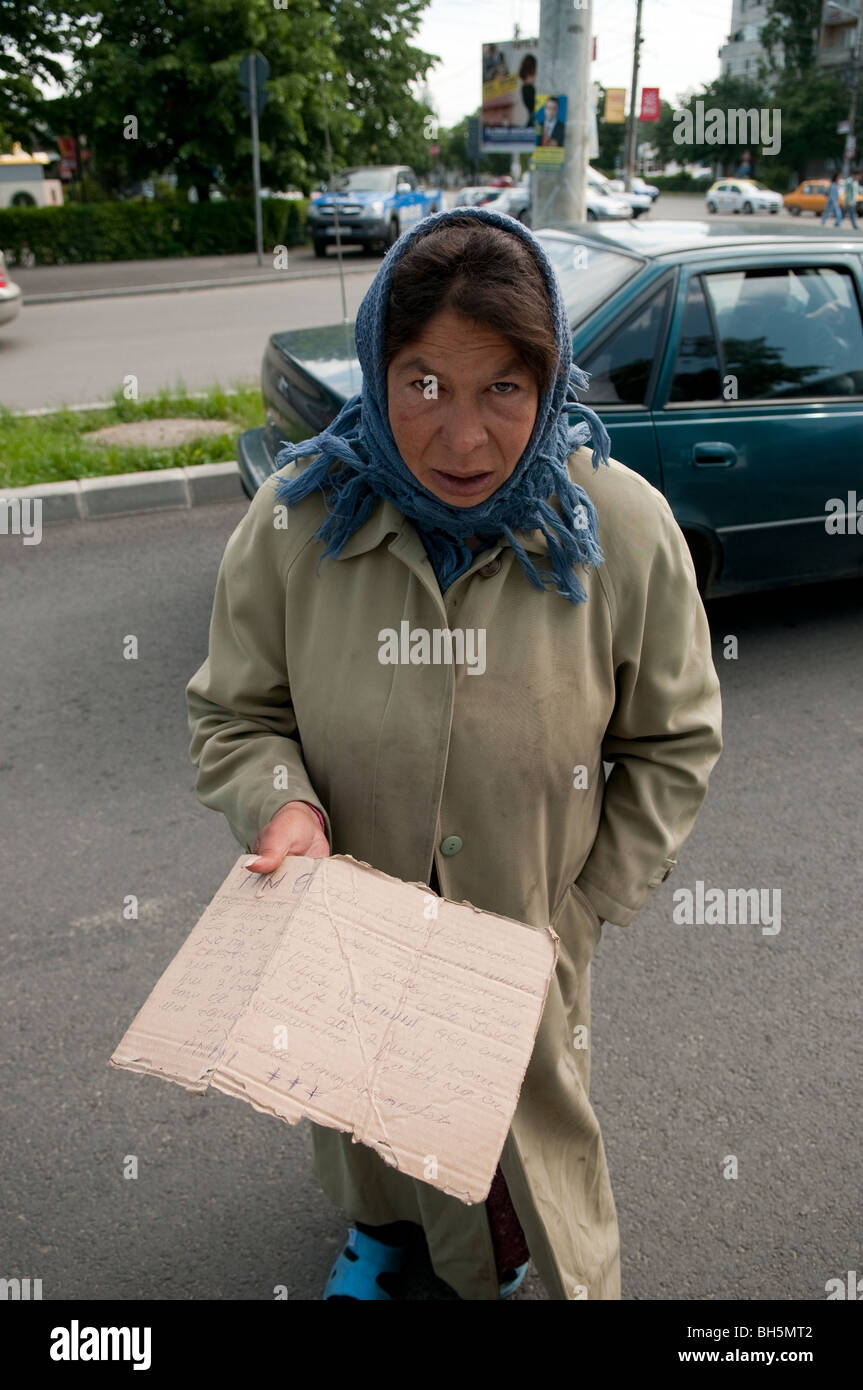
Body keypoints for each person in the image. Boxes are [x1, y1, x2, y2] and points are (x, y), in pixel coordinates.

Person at [185, 207, 723, 1301]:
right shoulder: (299, 524)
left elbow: (673, 740)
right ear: (379, 373)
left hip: (523, 933)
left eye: (502, 389)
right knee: (364, 1121)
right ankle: (378, 1239)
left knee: (515, 1166)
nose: (463, 437)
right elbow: (236, 715)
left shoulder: (615, 529)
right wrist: (279, 806)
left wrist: (578, 909)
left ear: (548, 378)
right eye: (423, 383)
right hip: (351, 931)